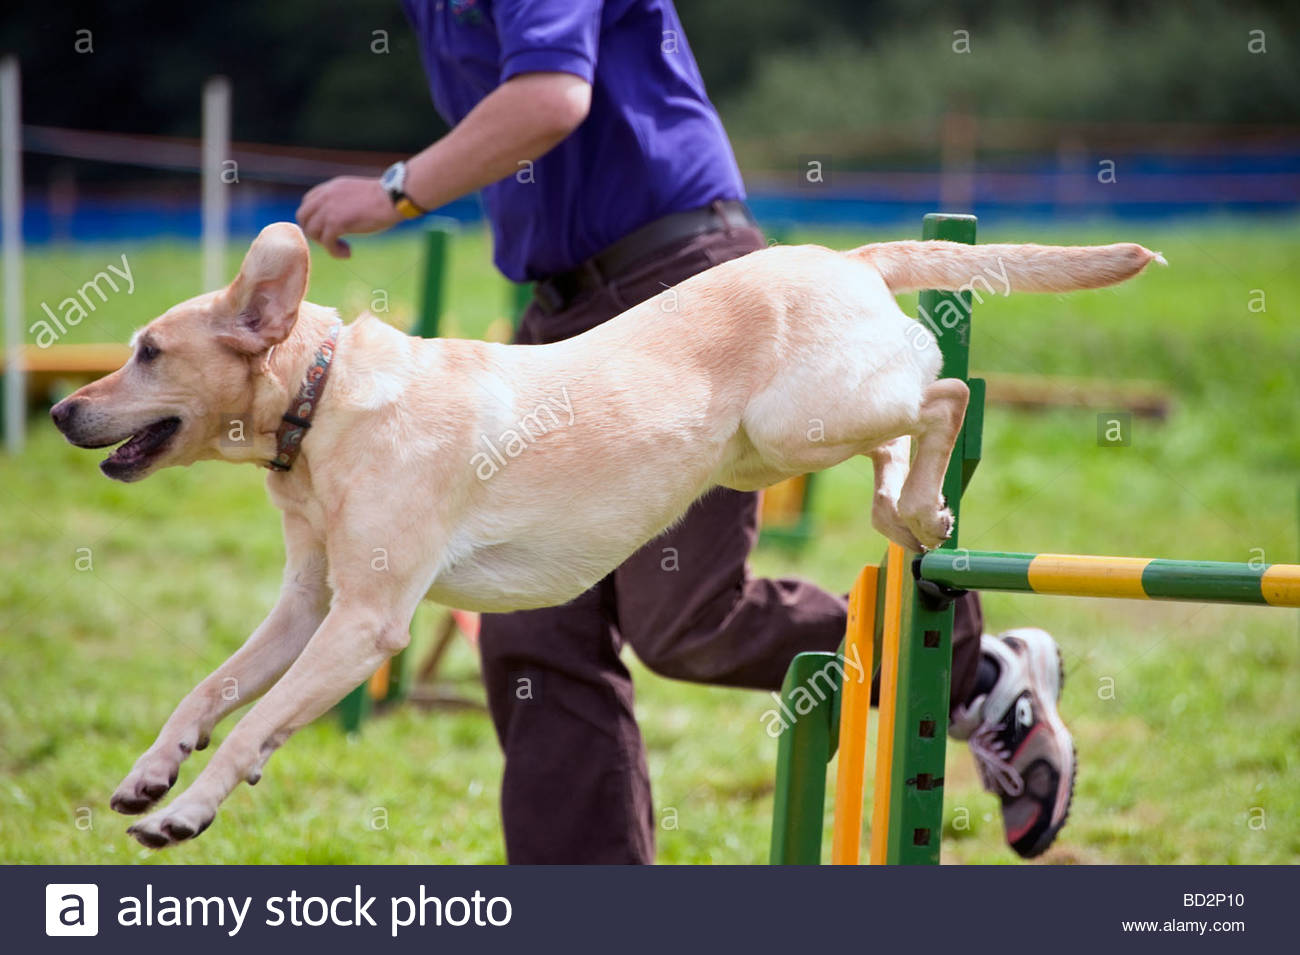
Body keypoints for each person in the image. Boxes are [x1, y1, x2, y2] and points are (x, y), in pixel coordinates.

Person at [295, 0, 1075, 862]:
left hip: (685, 289)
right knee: (531, 632)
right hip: (564, 313)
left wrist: (395, 190)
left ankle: (975, 669)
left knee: (686, 616)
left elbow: (552, 95)